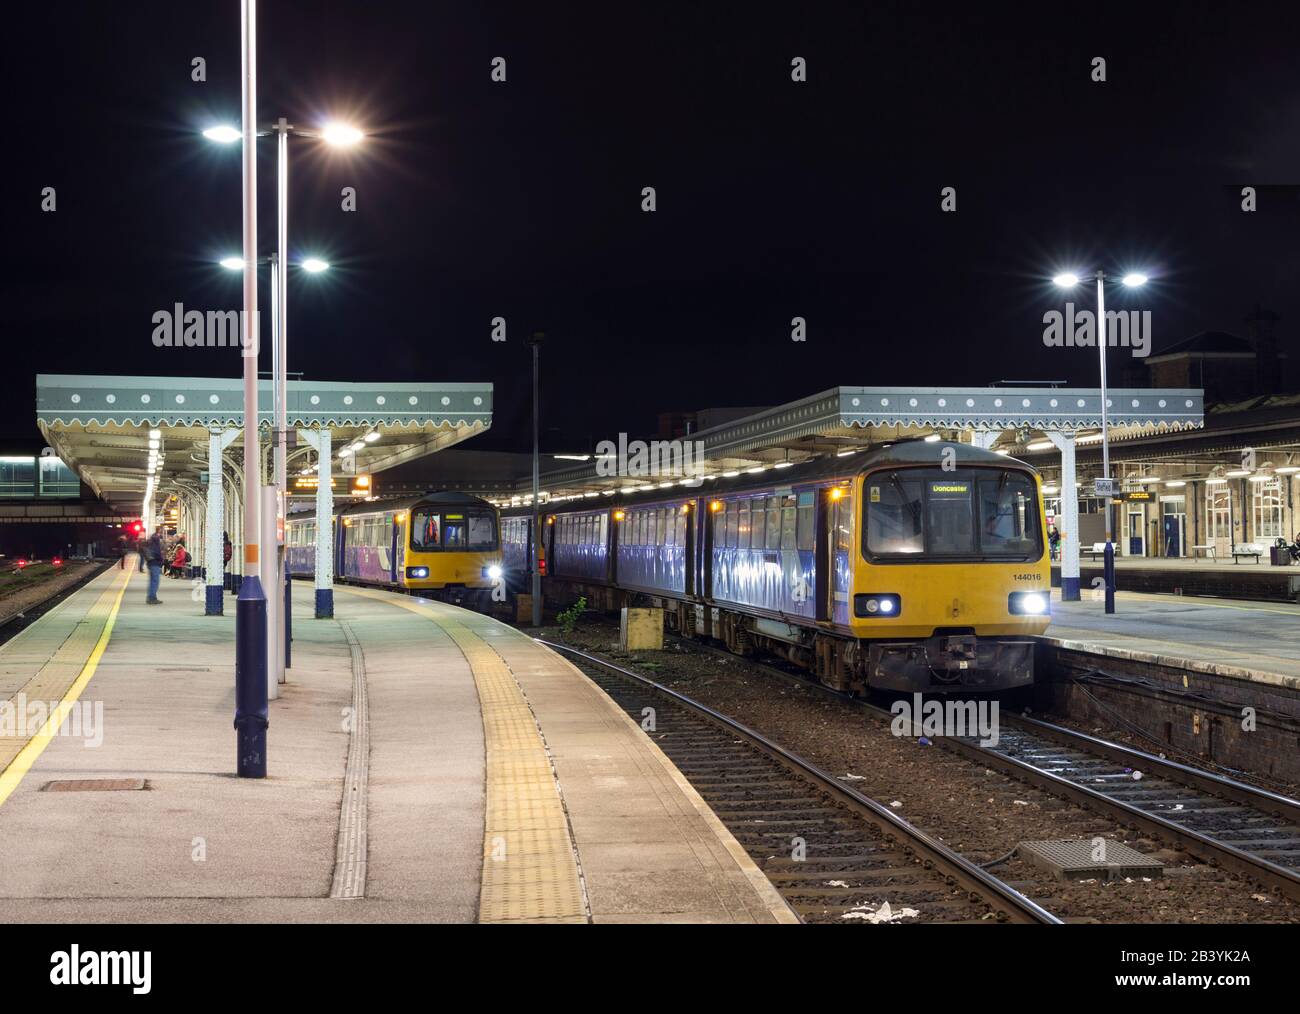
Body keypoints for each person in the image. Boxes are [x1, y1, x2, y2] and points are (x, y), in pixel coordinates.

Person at [144, 530, 164, 604]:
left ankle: (151, 597)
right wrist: (161, 560)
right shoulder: (156, 543)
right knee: (155, 582)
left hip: (150, 563)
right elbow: (157, 553)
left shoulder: (150, 542)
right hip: (155, 564)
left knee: (152, 581)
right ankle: (152, 598)